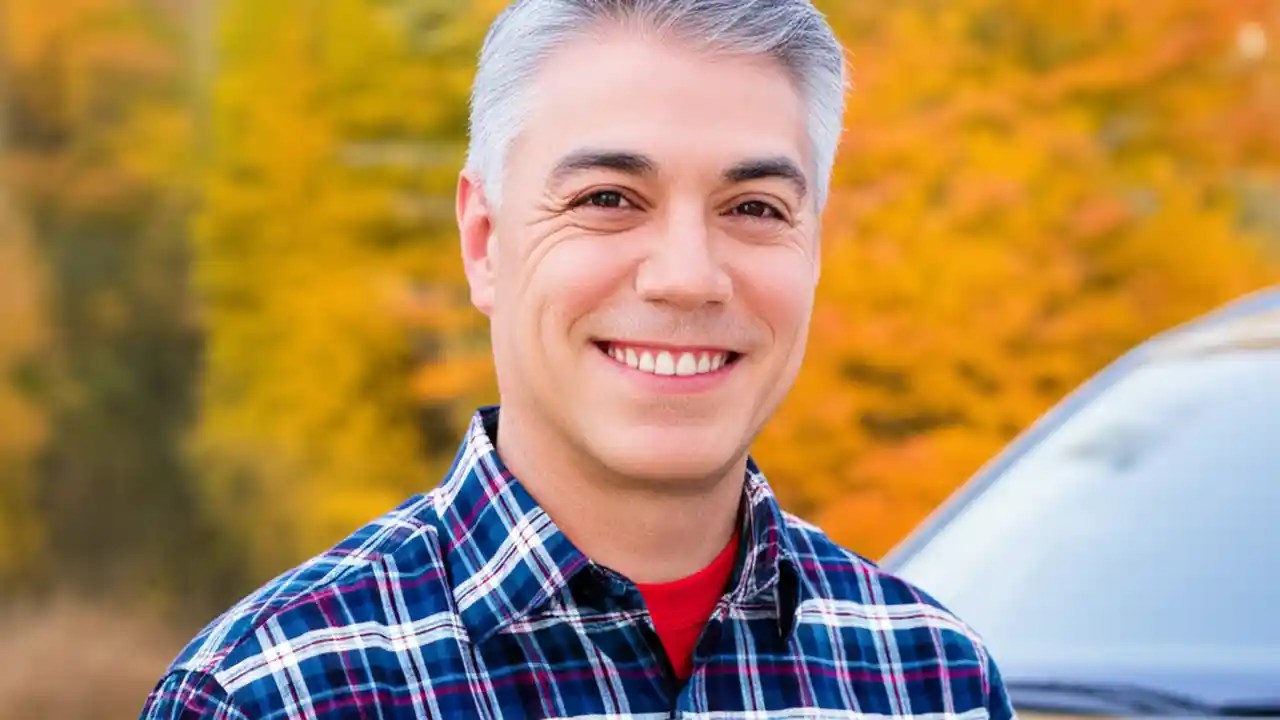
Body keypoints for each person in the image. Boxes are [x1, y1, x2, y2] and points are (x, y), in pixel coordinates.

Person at [142, 1, 1015, 717]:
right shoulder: (271, 697)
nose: (687, 278)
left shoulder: (931, 680)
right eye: (607, 199)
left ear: (816, 251)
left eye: (753, 207)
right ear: (484, 242)